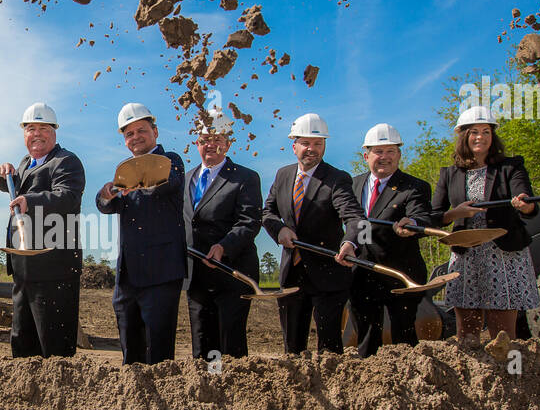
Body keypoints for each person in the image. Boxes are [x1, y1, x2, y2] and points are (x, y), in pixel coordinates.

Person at [432, 105, 540, 340]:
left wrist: (525, 204)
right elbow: (434, 216)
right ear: (463, 137)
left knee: (502, 331)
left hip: (502, 253)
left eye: (486, 131)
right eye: (474, 132)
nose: (480, 137)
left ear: (493, 136)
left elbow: (529, 203)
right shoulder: (449, 174)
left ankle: (506, 370)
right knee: (467, 332)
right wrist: (455, 214)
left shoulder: (510, 167)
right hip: (466, 255)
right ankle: (474, 372)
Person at [261, 113, 363, 353]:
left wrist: (350, 242)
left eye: (318, 143)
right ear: (294, 145)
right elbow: (267, 212)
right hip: (292, 274)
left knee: (328, 348)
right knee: (292, 347)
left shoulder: (337, 179)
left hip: (327, 273)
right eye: (306, 143)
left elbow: (355, 217)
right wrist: (280, 230)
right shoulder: (283, 175)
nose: (312, 149)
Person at [0, 102, 86, 358]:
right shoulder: (25, 163)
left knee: (53, 345)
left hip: (53, 267)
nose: (37, 134)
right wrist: (2, 173)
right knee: (23, 341)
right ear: (24, 135)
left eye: (43, 128)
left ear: (54, 132)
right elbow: (8, 184)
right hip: (24, 267)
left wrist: (30, 201)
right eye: (31, 128)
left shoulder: (65, 162)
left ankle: (60, 394)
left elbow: (67, 197)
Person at [96, 102, 185, 364]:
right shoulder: (124, 169)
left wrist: (132, 182)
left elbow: (167, 183)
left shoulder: (171, 160)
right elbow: (105, 205)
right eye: (129, 134)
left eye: (141, 130)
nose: (135, 137)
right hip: (128, 275)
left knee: (157, 352)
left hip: (161, 271)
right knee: (131, 351)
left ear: (155, 132)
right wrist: (107, 193)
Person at [349, 123, 433, 356]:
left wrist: (413, 225)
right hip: (362, 274)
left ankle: (406, 384)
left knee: (403, 338)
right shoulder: (352, 185)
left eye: (390, 151)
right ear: (366, 156)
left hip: (400, 274)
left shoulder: (414, 187)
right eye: (378, 151)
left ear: (399, 155)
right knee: (365, 338)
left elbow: (421, 215)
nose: (384, 157)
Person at [183, 116, 262, 359]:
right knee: (202, 342)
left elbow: (249, 222)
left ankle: (233, 391)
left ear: (228, 144)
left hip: (231, 273)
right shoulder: (186, 179)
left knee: (229, 344)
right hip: (196, 275)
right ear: (196, 143)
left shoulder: (245, 177)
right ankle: (206, 389)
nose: (210, 145)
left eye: (217, 139)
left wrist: (224, 247)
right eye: (204, 140)